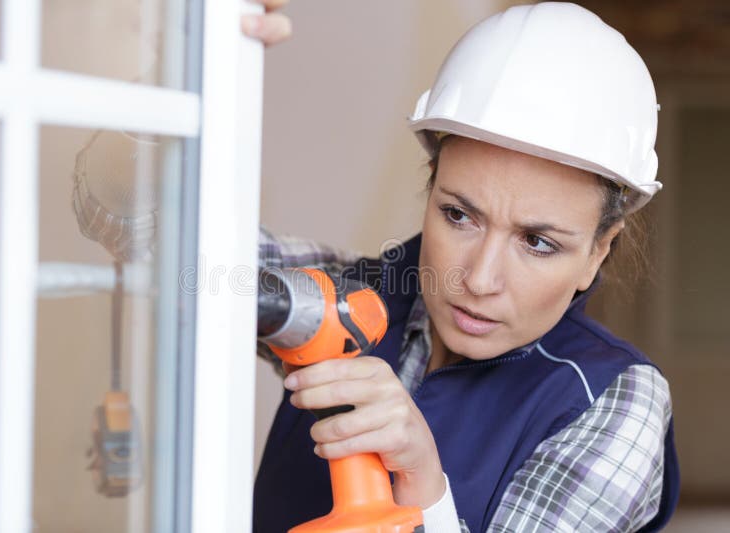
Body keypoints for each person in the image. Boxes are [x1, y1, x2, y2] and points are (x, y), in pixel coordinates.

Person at [247, 2, 680, 532]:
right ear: (431, 184)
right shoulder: (350, 303)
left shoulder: (614, 400)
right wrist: (185, 57)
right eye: (459, 215)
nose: (477, 280)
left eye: (538, 242)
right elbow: (155, 234)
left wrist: (425, 487)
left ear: (598, 251)